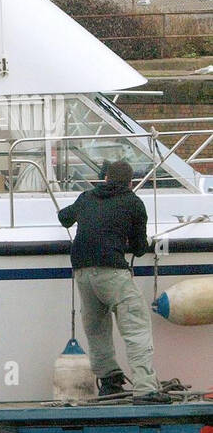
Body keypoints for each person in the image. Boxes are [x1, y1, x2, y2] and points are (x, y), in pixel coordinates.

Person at [57, 160, 171, 404]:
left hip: (82, 272)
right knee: (136, 326)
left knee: (97, 329)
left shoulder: (87, 197)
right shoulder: (133, 203)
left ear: (106, 178)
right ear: (130, 182)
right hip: (112, 272)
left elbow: (64, 218)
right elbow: (140, 248)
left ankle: (110, 382)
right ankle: (146, 389)